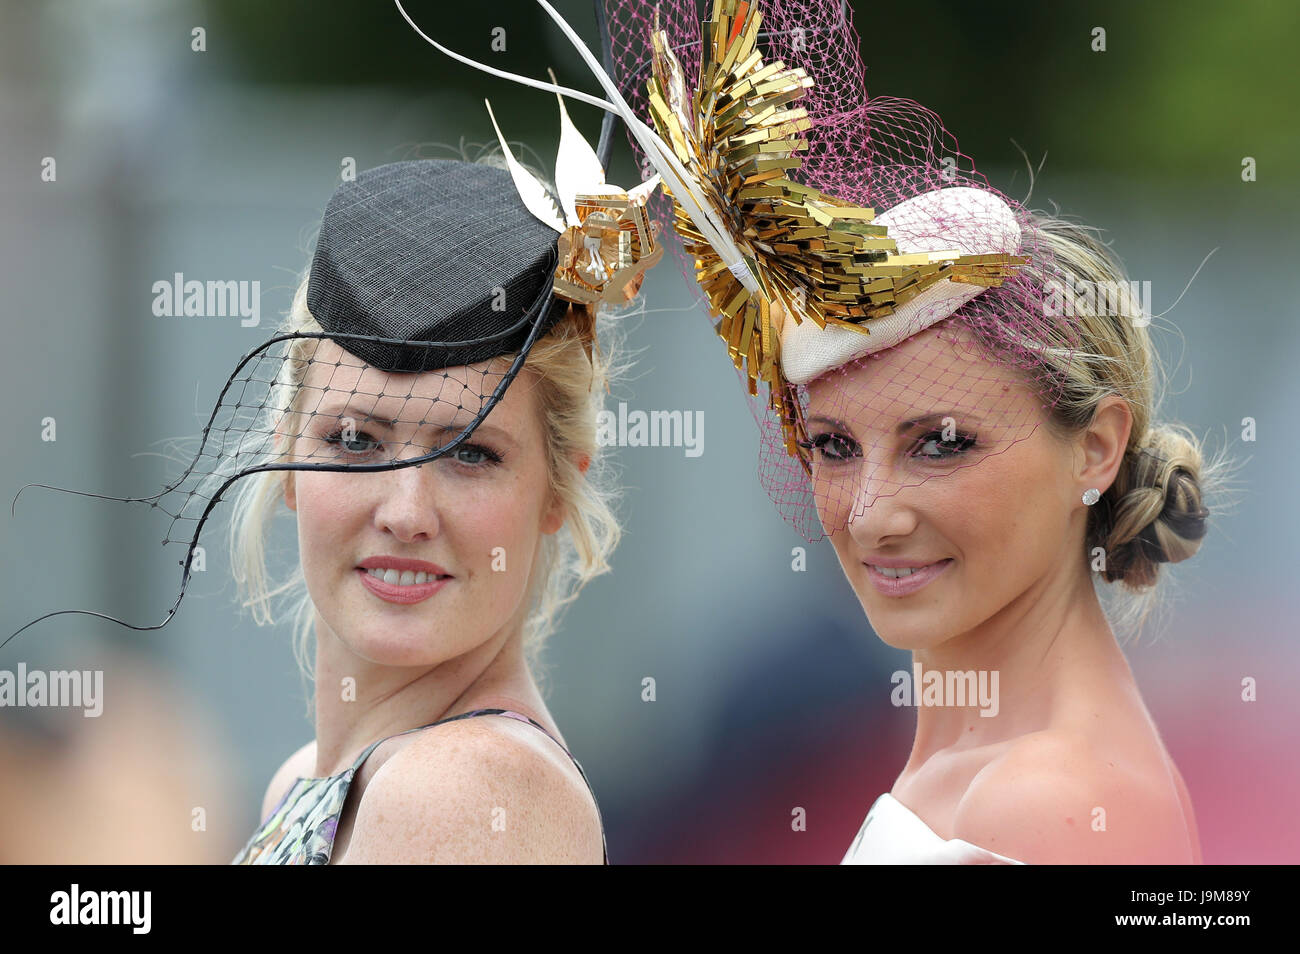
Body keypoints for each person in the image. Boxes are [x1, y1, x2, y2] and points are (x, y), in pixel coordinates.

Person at [577, 0, 1230, 863]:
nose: (870, 513)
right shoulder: (971, 768)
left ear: (1097, 447)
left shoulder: (1051, 804)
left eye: (943, 443)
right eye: (835, 447)